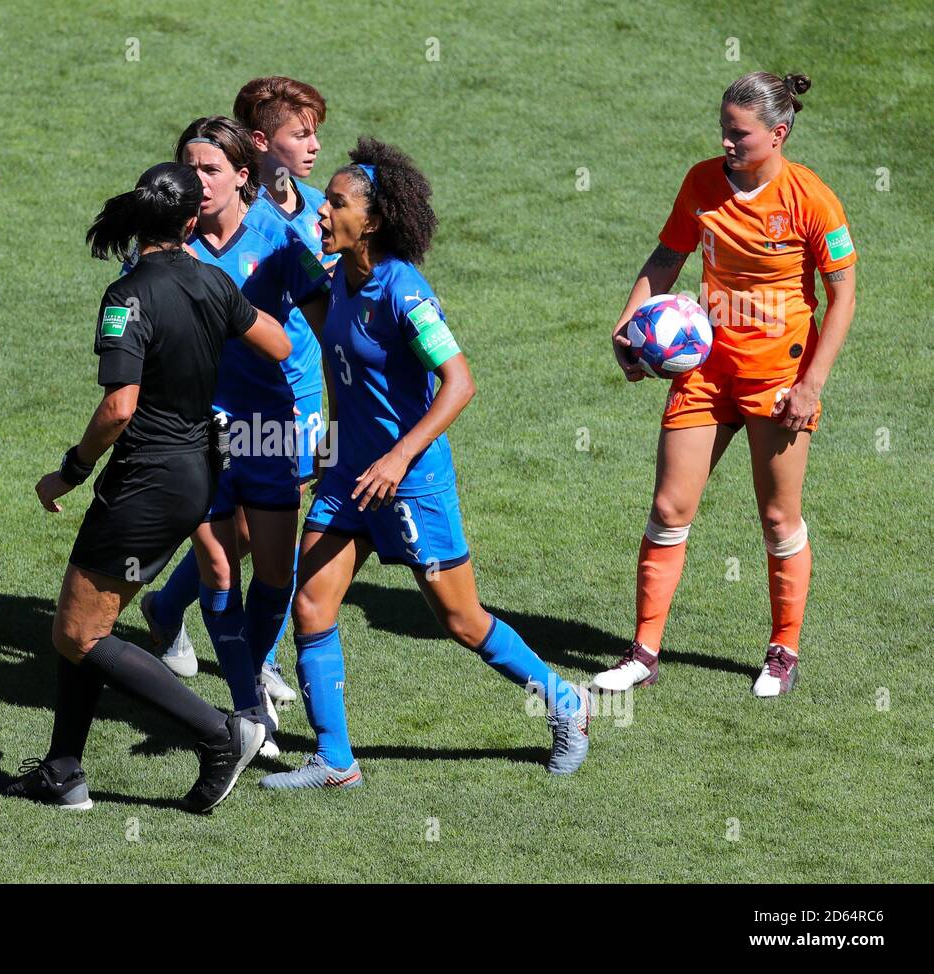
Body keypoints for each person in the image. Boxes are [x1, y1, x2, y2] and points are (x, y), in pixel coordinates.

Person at [261, 138, 592, 791]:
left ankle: (568, 707)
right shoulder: (336, 279)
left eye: (335, 203)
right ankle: (335, 760)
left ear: (374, 220)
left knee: (461, 620)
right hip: (351, 477)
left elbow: (460, 382)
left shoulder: (403, 292)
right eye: (323, 201)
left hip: (410, 483)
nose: (322, 213)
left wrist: (399, 455)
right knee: (312, 606)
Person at [0, 161, 291, 813]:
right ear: (191, 223)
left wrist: (69, 470)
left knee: (77, 634)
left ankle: (220, 735)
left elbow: (119, 408)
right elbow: (276, 343)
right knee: (87, 623)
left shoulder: (127, 296)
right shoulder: (214, 282)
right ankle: (64, 771)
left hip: (146, 481)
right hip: (196, 473)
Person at [598, 72, 857, 697]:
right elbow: (667, 256)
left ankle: (782, 651)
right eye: (722, 128)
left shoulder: (811, 199)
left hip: (779, 377)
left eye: (738, 133)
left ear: (778, 132)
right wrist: (629, 323)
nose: (726, 141)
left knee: (777, 517)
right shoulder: (702, 181)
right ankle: (644, 652)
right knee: (668, 507)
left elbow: (842, 295)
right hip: (706, 370)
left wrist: (812, 383)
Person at [137, 116, 330, 759]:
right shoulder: (173, 243)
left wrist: (340, 426)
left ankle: (232, 657)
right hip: (200, 425)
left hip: (272, 424)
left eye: (210, 169)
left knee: (274, 569)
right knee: (220, 566)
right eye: (189, 168)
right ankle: (249, 707)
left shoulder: (280, 238)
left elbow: (330, 326)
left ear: (242, 177)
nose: (197, 180)